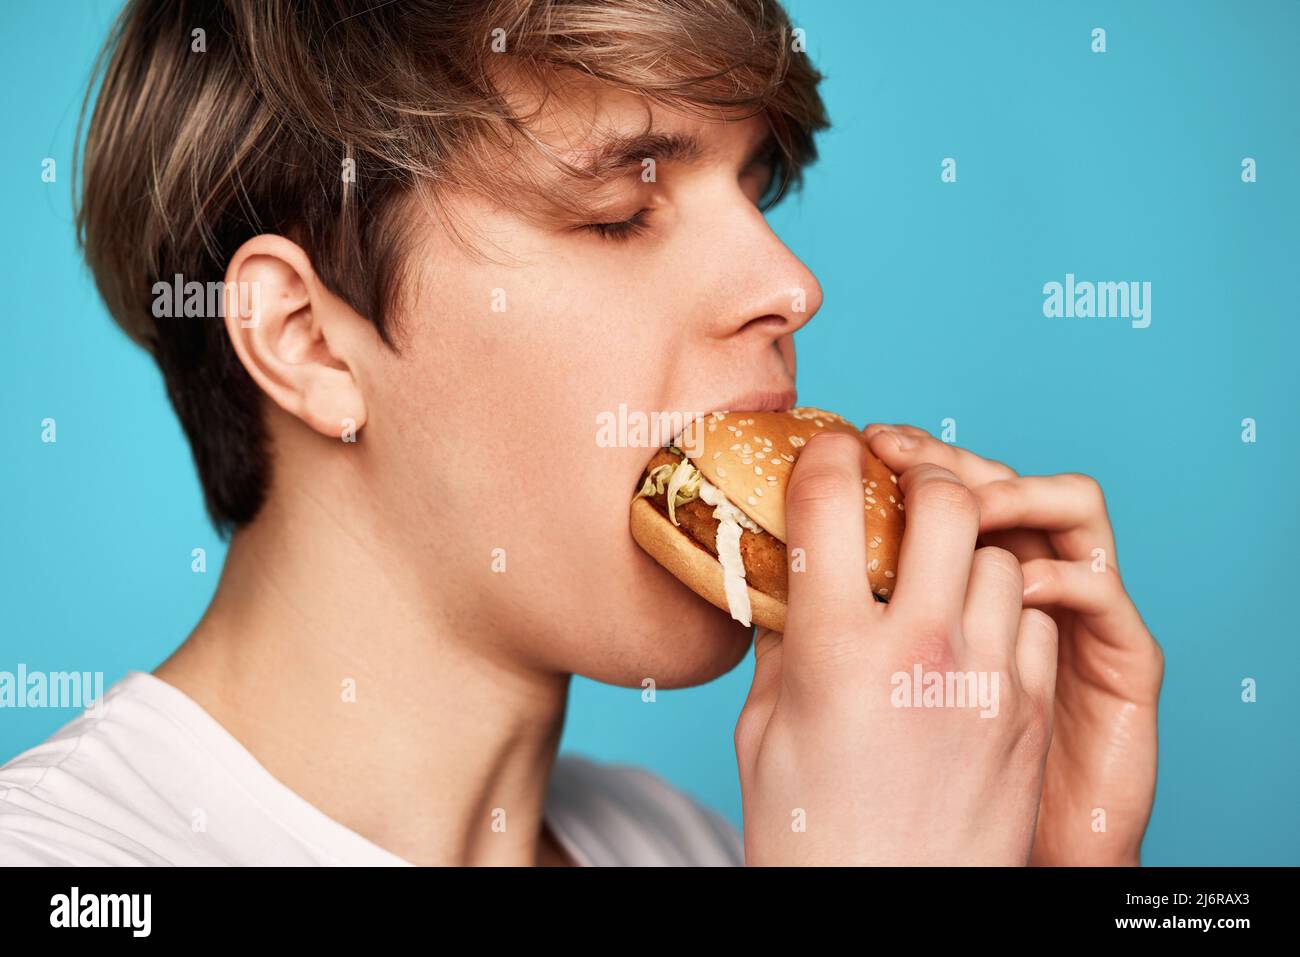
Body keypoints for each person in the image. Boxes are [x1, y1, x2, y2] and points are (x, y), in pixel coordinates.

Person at [0, 0, 1162, 866]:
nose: (788, 285)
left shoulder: (686, 843)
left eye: (755, 194)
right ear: (306, 340)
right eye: (620, 214)